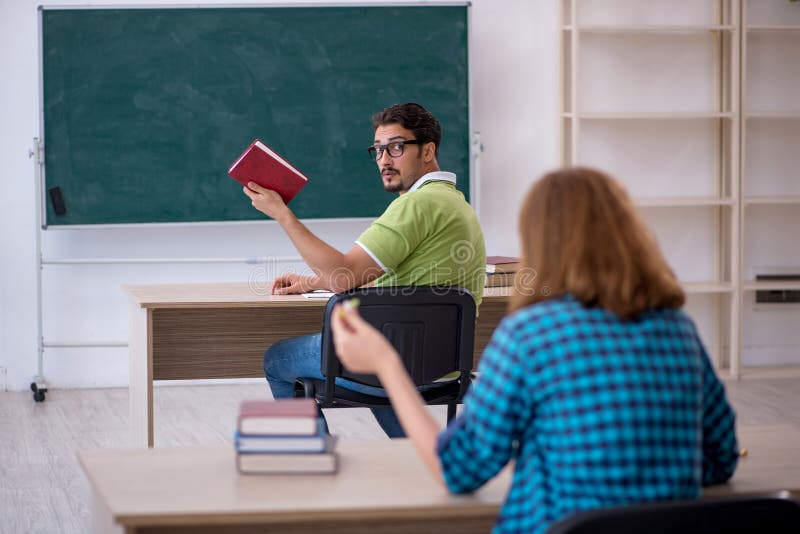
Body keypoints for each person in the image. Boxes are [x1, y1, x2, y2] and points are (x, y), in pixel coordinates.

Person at [330, 167, 739, 533]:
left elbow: (458, 471)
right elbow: (721, 460)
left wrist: (386, 363)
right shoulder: (678, 330)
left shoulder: (531, 336)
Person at [243, 102, 486, 438]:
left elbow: (344, 276)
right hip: (442, 367)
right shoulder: (456, 204)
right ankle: (414, 458)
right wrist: (311, 282)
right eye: (378, 150)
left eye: (397, 147)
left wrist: (283, 215)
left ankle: (315, 465)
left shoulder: (415, 206)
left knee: (278, 359)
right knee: (382, 344)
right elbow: (392, 282)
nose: (384, 160)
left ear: (428, 150)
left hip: (390, 362)